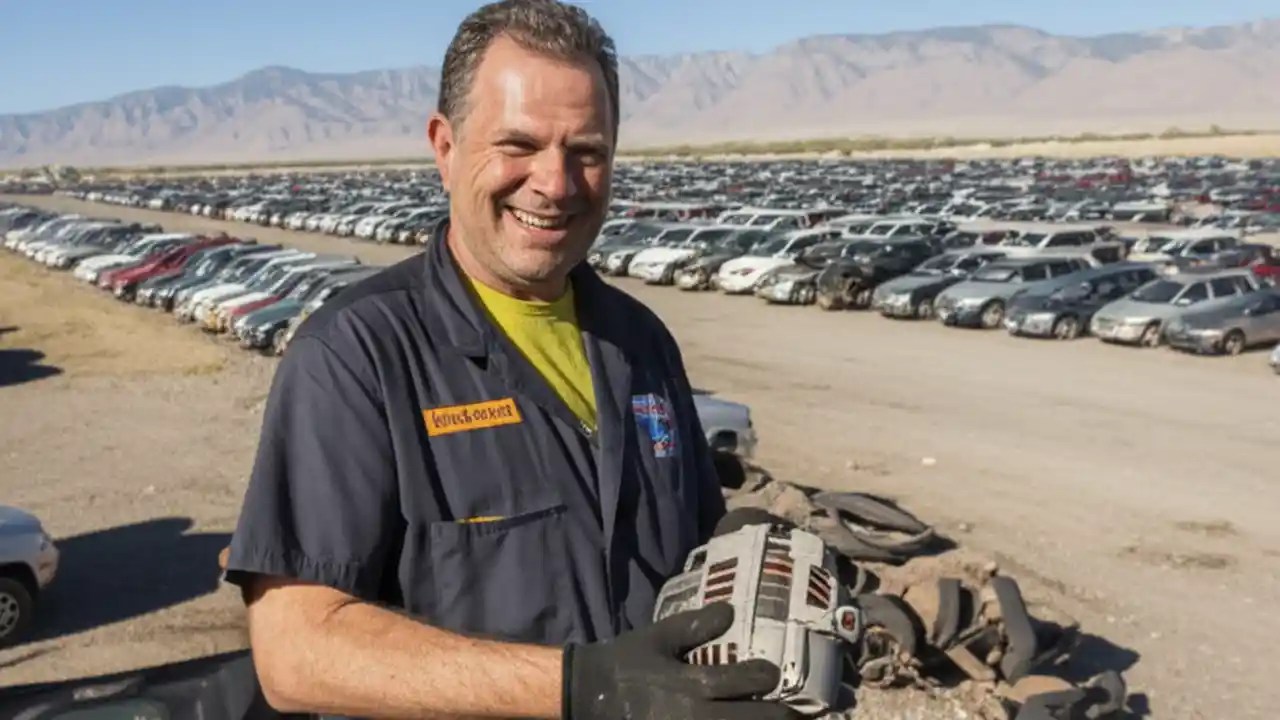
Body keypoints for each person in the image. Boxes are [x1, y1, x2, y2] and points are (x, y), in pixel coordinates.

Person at [221, 1, 797, 718]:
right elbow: (298, 649)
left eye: (586, 151)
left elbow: (688, 551)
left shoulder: (641, 341)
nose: (555, 183)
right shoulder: (357, 356)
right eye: (518, 145)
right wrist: (578, 684)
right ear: (445, 146)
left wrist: (755, 569)